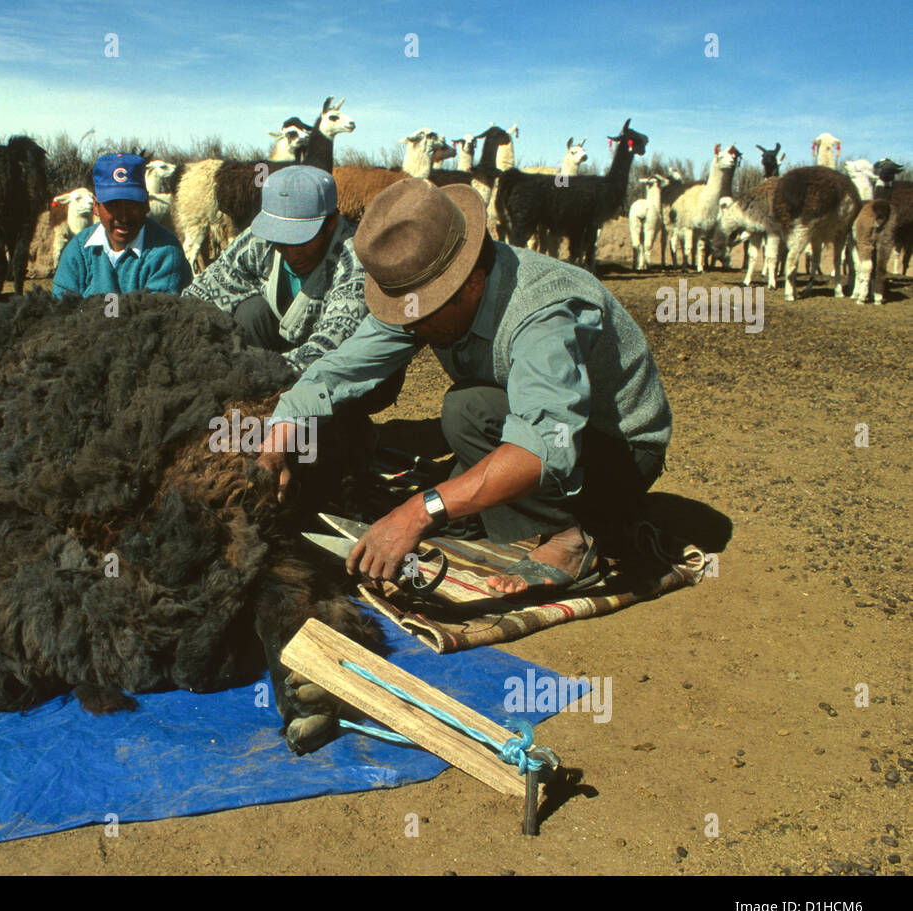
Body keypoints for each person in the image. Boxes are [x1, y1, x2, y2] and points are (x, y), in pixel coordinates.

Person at [258, 177, 672, 598]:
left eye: (422, 313)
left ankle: (570, 541)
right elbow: (340, 369)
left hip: (615, 449)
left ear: (470, 282)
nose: (411, 326)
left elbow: (546, 447)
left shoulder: (542, 312)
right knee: (448, 508)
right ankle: (525, 513)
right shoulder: (426, 294)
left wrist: (418, 513)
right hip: (530, 419)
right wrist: (278, 439)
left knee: (467, 411)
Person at [183, 165, 380, 378]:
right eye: (281, 240)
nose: (291, 254)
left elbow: (334, 340)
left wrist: (257, 373)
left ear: (331, 222)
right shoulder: (260, 241)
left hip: (339, 364)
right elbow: (205, 289)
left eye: (302, 240)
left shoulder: (354, 259)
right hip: (278, 353)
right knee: (250, 313)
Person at [52, 153, 191, 297]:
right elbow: (58, 309)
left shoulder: (165, 253)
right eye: (112, 205)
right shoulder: (78, 251)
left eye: (132, 204)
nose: (124, 216)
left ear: (146, 204)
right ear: (95, 206)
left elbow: (157, 314)